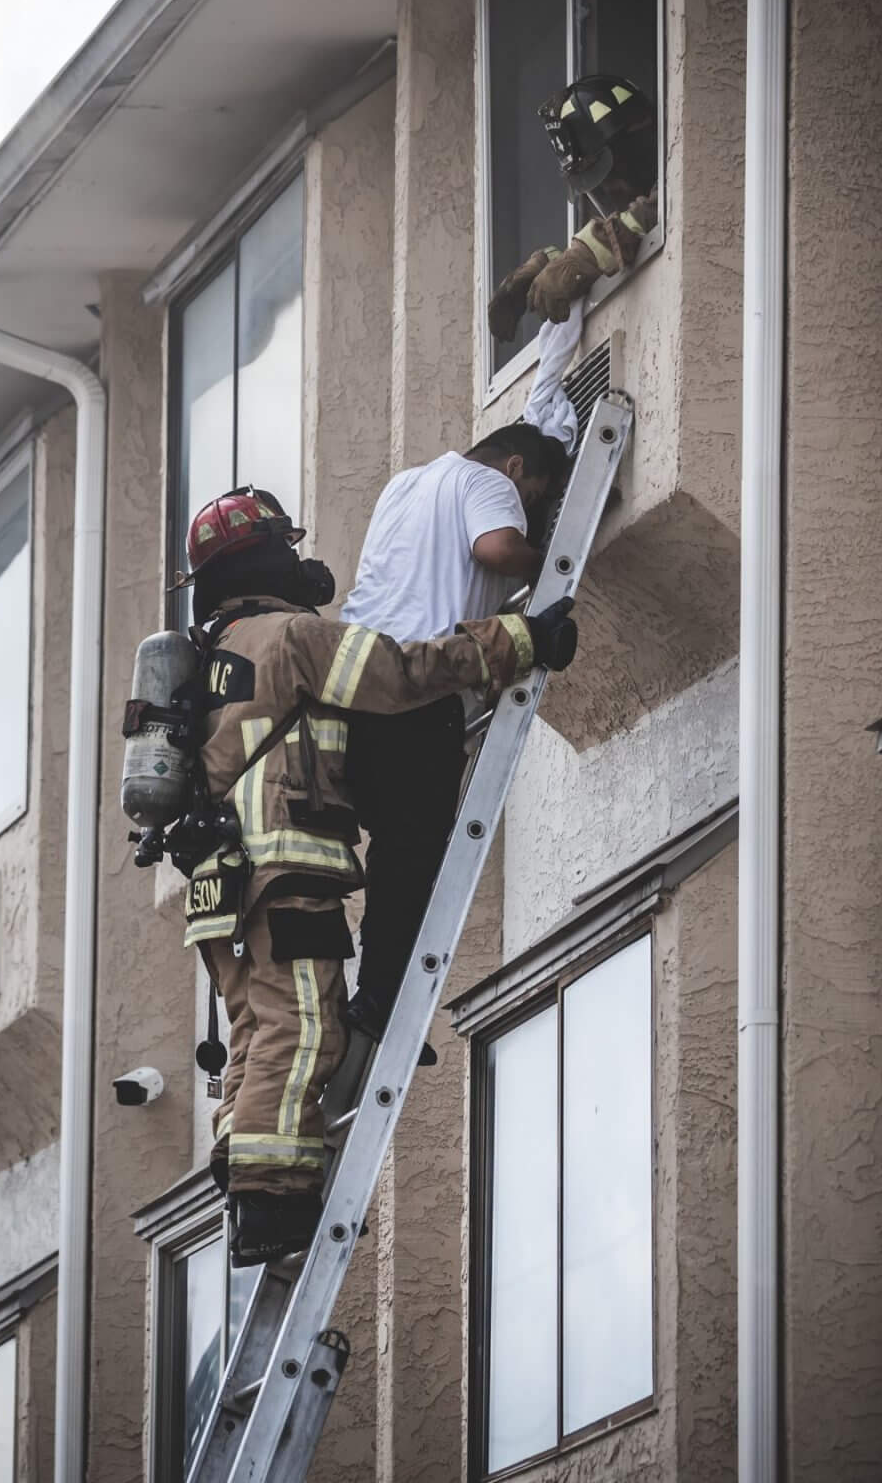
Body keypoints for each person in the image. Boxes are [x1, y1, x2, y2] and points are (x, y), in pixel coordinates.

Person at [172, 487, 578, 1263]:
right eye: (286, 549)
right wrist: (517, 641)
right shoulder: (292, 636)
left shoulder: (209, 662)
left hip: (219, 888)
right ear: (265, 560)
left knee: (255, 1034)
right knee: (302, 1029)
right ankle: (272, 1205)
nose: (301, 562)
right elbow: (397, 671)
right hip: (282, 867)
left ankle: (246, 1185)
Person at [334, 420, 572, 1044]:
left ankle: (371, 996)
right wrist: (551, 562)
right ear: (516, 468)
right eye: (534, 500)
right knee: (410, 855)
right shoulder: (488, 482)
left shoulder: (404, 486)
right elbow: (495, 550)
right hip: (423, 684)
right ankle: (379, 1001)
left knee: (387, 847)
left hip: (356, 685)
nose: (528, 513)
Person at [487, 73, 660, 342]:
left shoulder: (680, 177)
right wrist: (547, 267)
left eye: (611, 174)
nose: (612, 191)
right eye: (599, 188)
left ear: (639, 142)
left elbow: (651, 213)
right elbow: (619, 237)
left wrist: (583, 257)